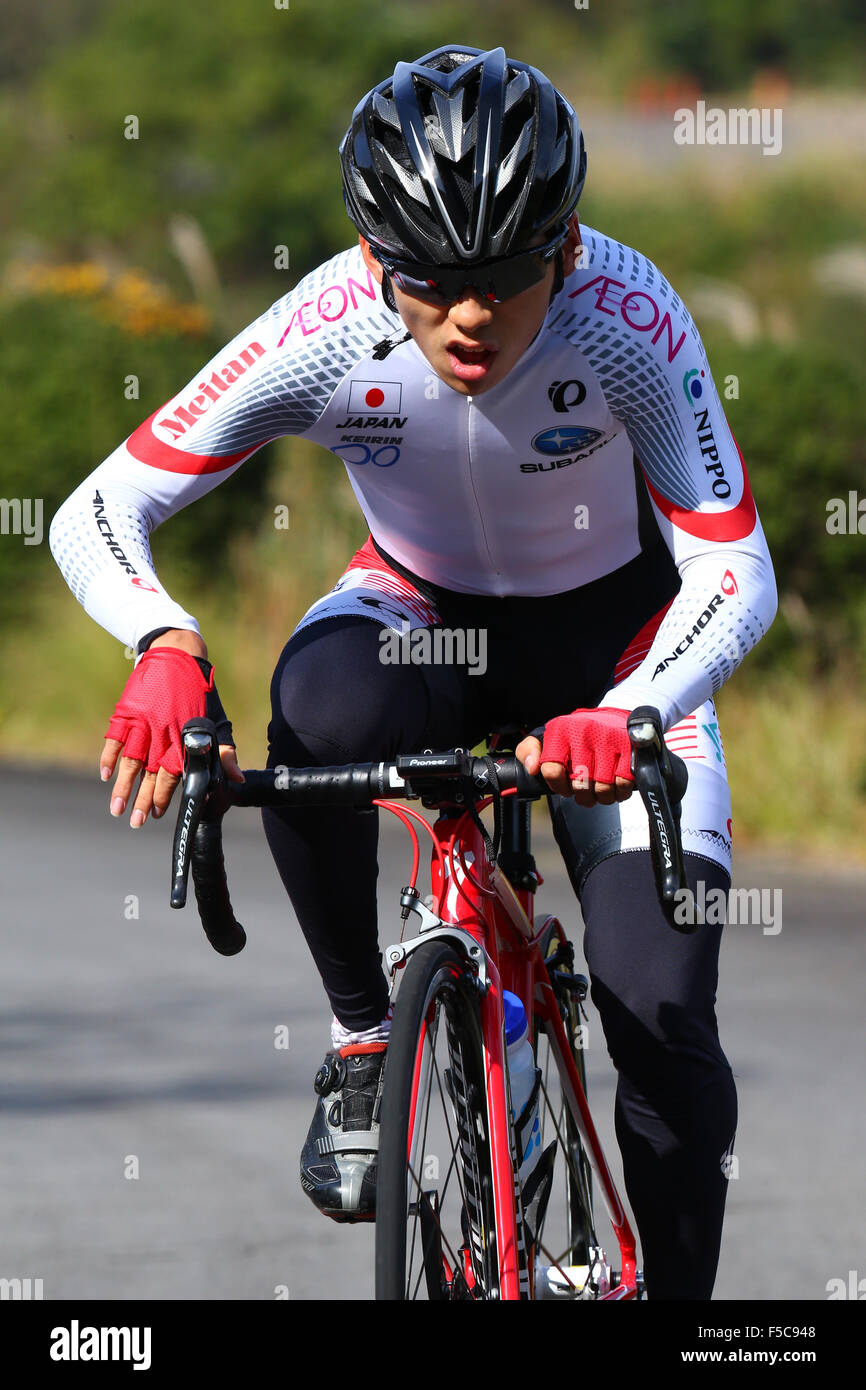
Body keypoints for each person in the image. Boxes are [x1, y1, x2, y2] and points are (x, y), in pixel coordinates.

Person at [50, 45, 777, 1299]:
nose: (468, 317)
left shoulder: (630, 317)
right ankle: (357, 1037)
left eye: (503, 277)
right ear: (377, 261)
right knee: (319, 708)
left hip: (610, 658)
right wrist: (161, 641)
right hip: (414, 612)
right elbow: (100, 508)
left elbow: (734, 568)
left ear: (563, 247)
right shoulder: (326, 325)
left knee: (660, 1019)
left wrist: (635, 705)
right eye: (430, 283)